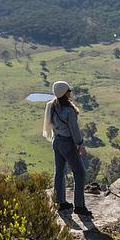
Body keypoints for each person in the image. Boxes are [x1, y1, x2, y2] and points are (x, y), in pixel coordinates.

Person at [42, 80, 89, 214]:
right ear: (64, 93)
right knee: (79, 172)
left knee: (60, 172)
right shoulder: (69, 110)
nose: (70, 92)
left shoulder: (52, 105)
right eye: (69, 90)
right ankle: (79, 206)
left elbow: (50, 125)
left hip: (57, 141)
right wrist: (80, 144)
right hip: (67, 143)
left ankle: (60, 202)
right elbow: (74, 130)